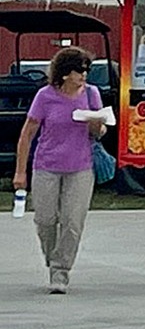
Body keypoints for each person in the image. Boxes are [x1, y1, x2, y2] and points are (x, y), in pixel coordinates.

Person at [12, 47, 108, 292]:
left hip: (81, 167)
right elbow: (28, 132)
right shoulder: (45, 96)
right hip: (47, 164)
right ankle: (53, 257)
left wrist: (96, 123)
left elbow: (99, 133)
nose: (84, 75)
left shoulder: (92, 94)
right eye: (79, 70)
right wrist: (20, 171)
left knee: (72, 221)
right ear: (65, 74)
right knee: (45, 219)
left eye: (86, 70)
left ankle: (60, 270)